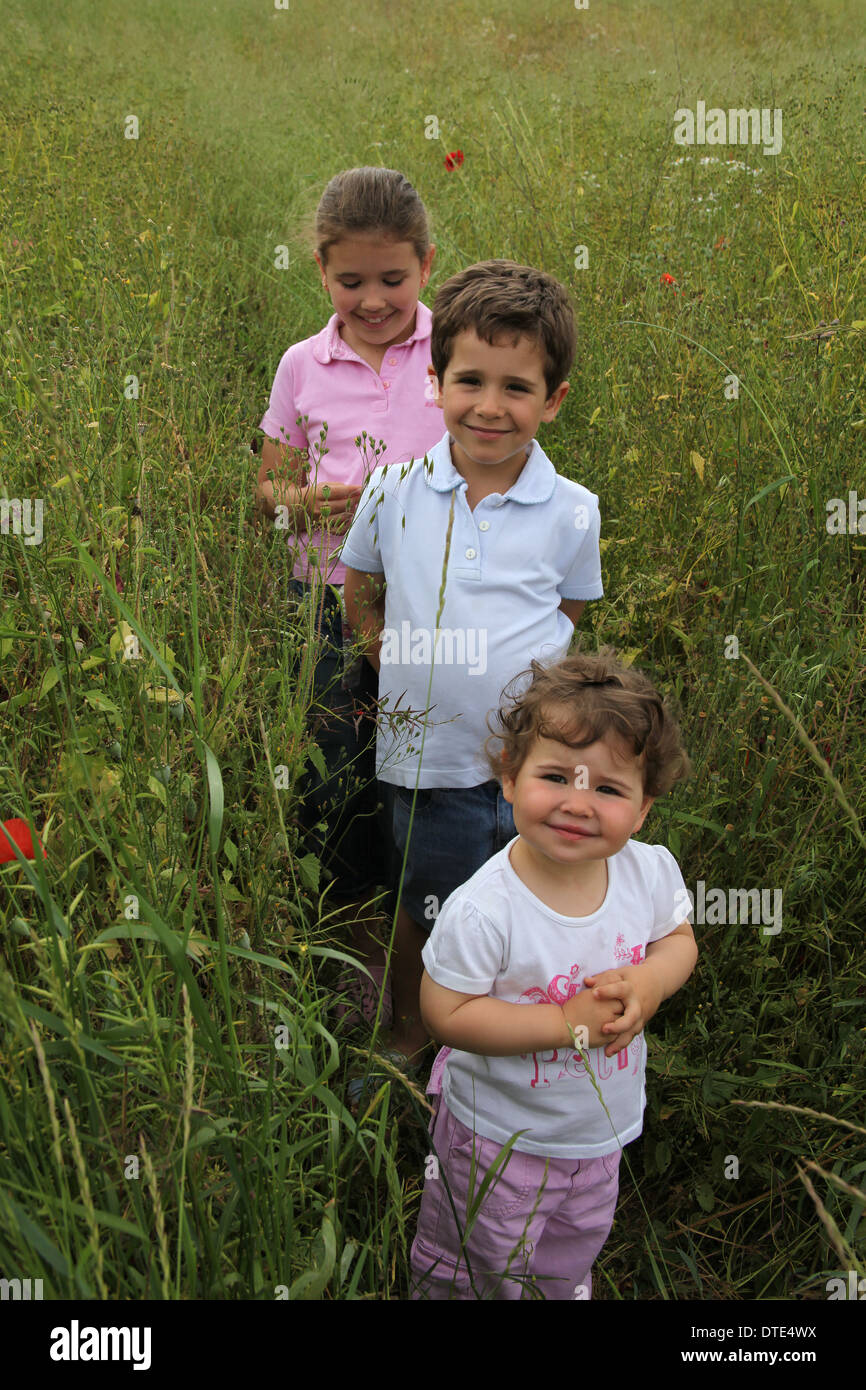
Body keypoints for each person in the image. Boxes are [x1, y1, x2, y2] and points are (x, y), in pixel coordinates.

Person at [341, 260, 602, 1064]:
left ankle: (505, 1030)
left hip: (536, 765)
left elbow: (568, 610)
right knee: (426, 905)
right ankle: (412, 1028)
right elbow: (360, 584)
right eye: (470, 381)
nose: (490, 407)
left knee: (530, 902)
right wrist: (386, 654)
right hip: (429, 761)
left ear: (552, 401)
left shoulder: (572, 509)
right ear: (436, 382)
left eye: (517, 388)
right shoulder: (392, 491)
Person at [410, 650, 698, 1300]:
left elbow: (679, 940)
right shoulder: (487, 909)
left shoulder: (647, 874)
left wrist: (651, 983)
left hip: (598, 1133)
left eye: (608, 788)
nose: (577, 803)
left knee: (569, 1254)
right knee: (477, 1264)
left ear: (644, 808)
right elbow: (445, 1012)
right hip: (497, 1138)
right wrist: (563, 1024)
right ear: (508, 778)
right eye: (555, 777)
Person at [254, 168, 443, 1020]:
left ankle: (426, 913)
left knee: (419, 762)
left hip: (432, 602)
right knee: (334, 754)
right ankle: (343, 923)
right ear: (322, 271)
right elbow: (270, 485)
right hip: (324, 596)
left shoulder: (452, 350)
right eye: (351, 281)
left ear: (426, 267)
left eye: (393, 281)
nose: (373, 301)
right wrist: (298, 503)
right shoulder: (304, 364)